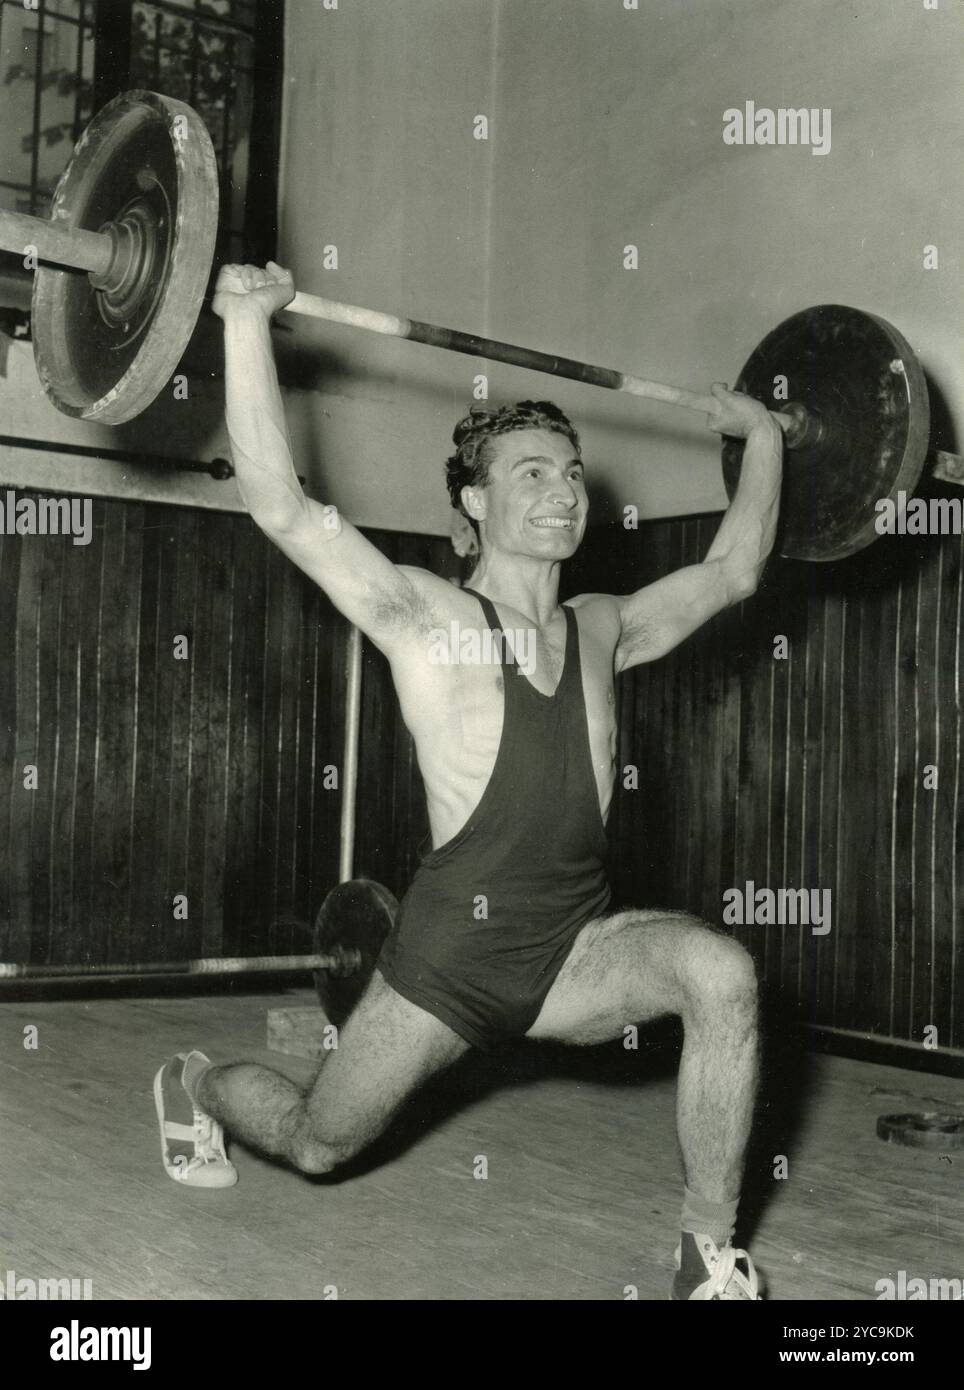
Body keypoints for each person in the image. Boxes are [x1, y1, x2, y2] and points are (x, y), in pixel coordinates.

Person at [154, 262, 782, 1301]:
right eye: (531, 472)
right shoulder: (428, 619)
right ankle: (193, 1082)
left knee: (719, 972)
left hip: (573, 952)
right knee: (319, 1143)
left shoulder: (604, 627)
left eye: (572, 472)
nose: (563, 488)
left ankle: (706, 1255)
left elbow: (733, 571)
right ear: (473, 502)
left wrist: (760, 437)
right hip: (447, 964)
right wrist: (240, 321)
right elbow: (280, 505)